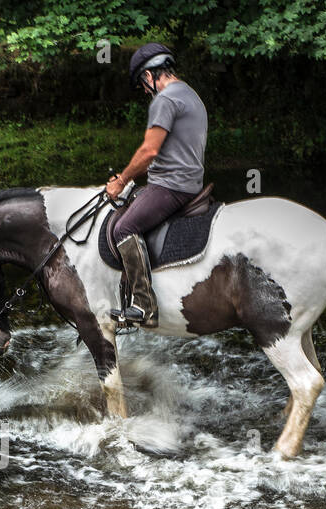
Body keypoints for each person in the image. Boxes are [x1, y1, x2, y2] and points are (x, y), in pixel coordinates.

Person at [106, 43, 207, 328]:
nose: (144, 89)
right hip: (191, 182)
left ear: (150, 75)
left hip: (172, 186)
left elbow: (149, 150)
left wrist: (122, 180)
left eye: (142, 82)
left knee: (124, 227)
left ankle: (144, 304)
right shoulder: (191, 94)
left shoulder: (164, 100)